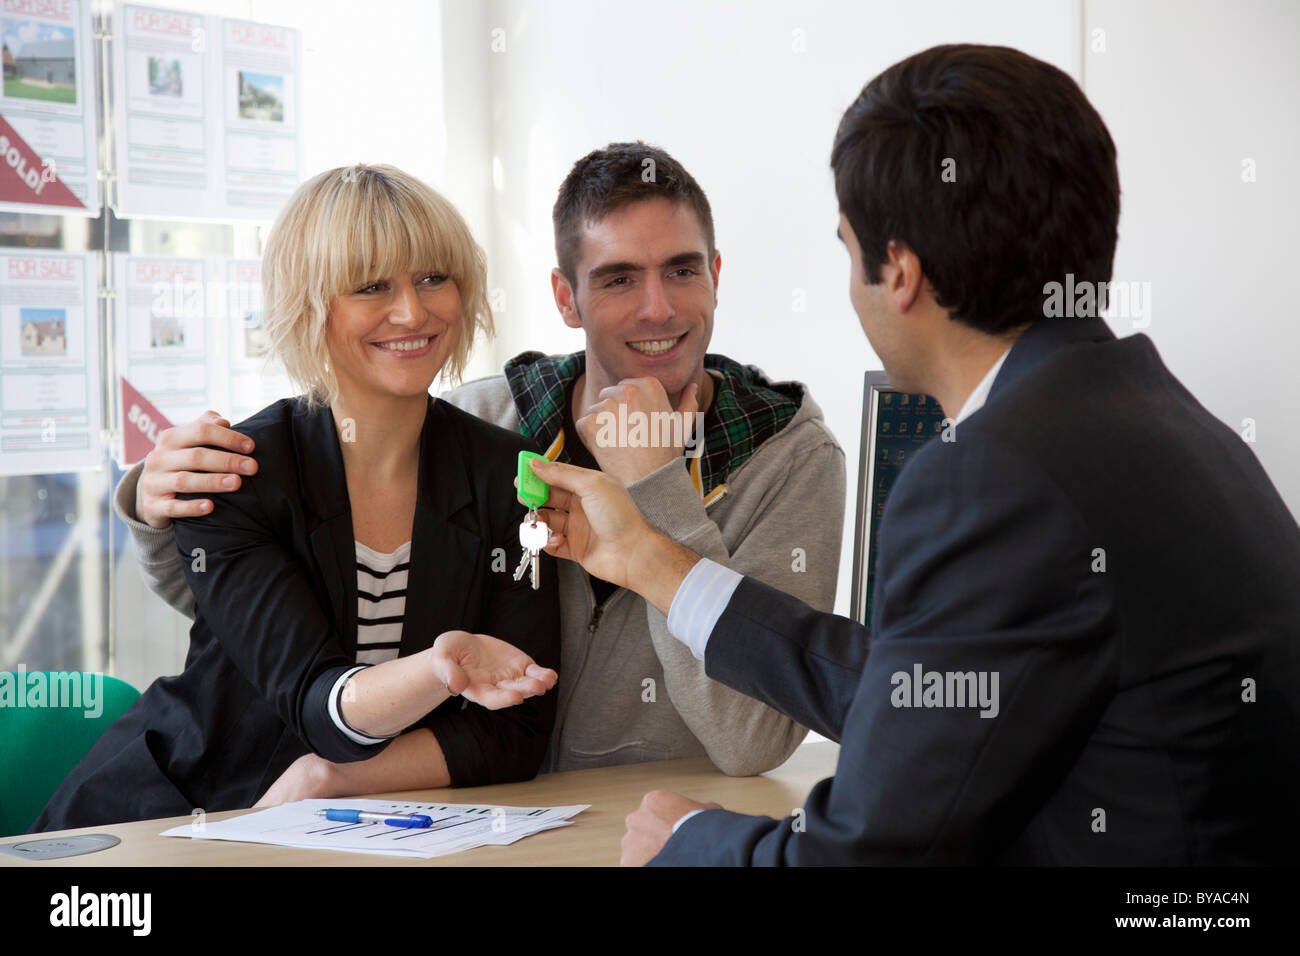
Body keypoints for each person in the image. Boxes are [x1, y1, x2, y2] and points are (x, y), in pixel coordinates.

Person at [523, 44, 1300, 865]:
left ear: (899, 272)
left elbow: (868, 857)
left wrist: (691, 841)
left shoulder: (993, 474)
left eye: (847, 249)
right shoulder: (1155, 417)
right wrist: (652, 560)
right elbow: (922, 695)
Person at [111, 143, 845, 777]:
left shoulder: (790, 457)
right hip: (451, 812)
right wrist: (155, 505)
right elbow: (274, 621)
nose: (658, 308)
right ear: (566, 296)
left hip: (645, 821)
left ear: (716, 273)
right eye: (619, 279)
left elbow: (749, 740)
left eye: (682, 271)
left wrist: (657, 491)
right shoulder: (490, 418)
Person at [32, 164, 560, 831]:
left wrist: (329, 776)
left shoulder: (509, 477)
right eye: (372, 286)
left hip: (363, 823)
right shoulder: (237, 475)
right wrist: (437, 672)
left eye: (434, 277)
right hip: (175, 812)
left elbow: (515, 735)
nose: (413, 311)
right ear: (310, 306)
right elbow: (318, 705)